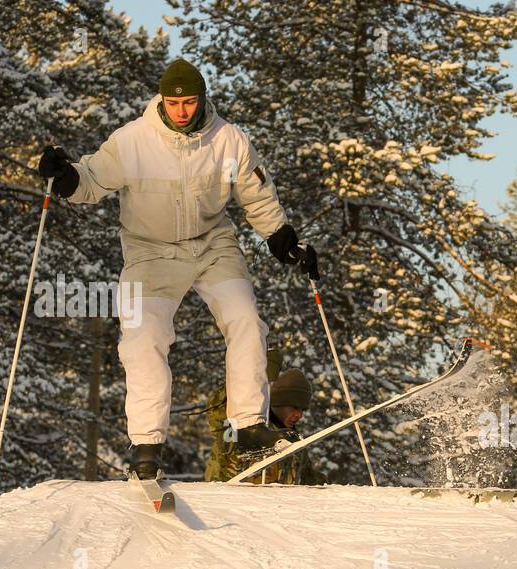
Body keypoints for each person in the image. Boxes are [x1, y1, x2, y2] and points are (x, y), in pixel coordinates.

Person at [35, 58, 318, 479]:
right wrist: (65, 178)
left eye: (189, 102)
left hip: (212, 245)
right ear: (163, 101)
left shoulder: (230, 141)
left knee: (246, 320)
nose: (181, 111)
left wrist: (283, 239)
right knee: (144, 335)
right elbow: (91, 179)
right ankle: (147, 445)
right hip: (150, 252)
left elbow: (257, 197)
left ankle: (248, 427)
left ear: (202, 99)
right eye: (173, 102)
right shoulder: (133, 141)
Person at [203, 350, 323, 485]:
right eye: (294, 407)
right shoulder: (242, 427)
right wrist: (256, 374)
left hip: (276, 505)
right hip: (230, 502)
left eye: (303, 410)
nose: (299, 415)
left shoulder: (293, 439)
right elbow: (221, 408)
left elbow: (308, 479)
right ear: (277, 403)